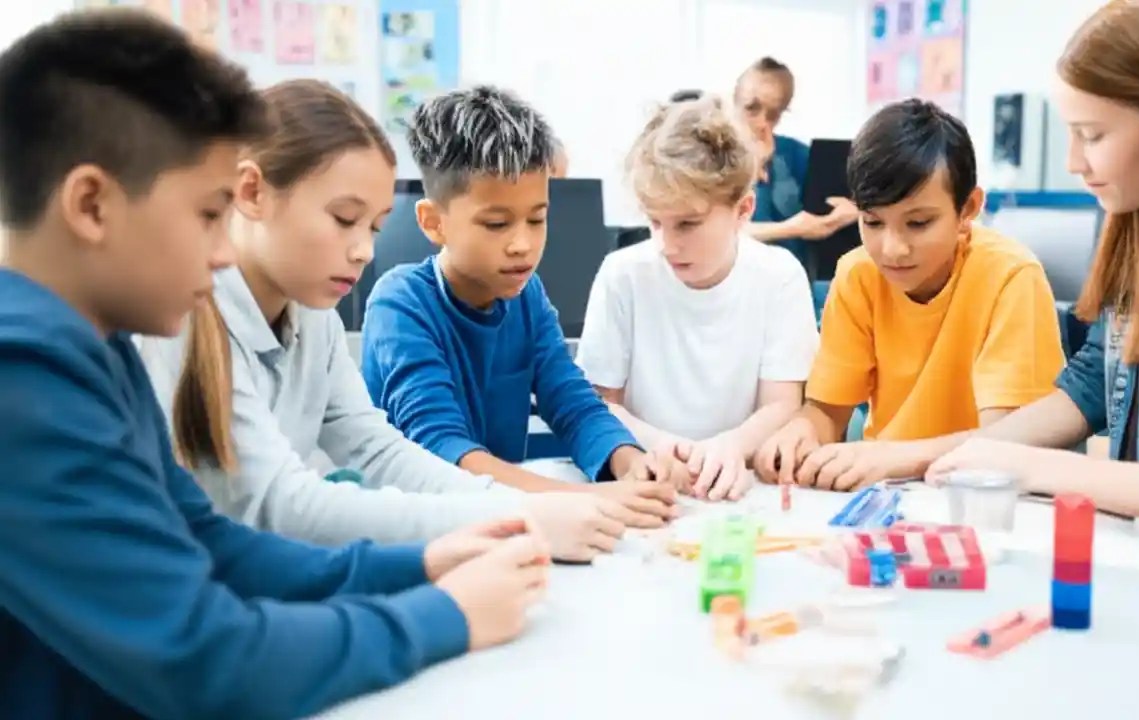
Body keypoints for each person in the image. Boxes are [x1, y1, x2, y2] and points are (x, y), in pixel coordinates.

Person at [0, 10, 548, 719]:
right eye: (207, 214)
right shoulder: (24, 377)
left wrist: (420, 563)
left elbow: (214, 544)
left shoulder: (93, 346)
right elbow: (203, 656)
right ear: (92, 204)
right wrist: (445, 615)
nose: (224, 250)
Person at [137, 79, 635, 561]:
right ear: (251, 192)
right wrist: (522, 515)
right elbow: (282, 504)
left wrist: (520, 508)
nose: (364, 251)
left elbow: (375, 451)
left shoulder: (315, 317)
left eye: (374, 226)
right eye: (344, 219)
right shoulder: (183, 318)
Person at [927, 0, 1139, 573]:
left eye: (1091, 135)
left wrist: (1035, 469)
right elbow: (1098, 380)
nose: (1072, 161)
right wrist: (962, 454)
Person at [361, 85, 677, 526]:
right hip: (425, 531)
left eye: (538, 218)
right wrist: (579, 501)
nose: (523, 245)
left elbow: (572, 401)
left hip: (504, 523)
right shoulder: (400, 305)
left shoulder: (526, 296)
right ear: (434, 223)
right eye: (496, 223)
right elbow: (444, 454)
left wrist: (627, 462)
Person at [756, 98, 1065, 491]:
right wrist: (802, 429)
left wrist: (893, 458)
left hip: (978, 496)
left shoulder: (1010, 276)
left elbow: (1004, 442)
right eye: (872, 222)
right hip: (886, 492)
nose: (892, 249)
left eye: (918, 223)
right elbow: (828, 412)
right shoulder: (857, 274)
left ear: (967, 208)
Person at [576, 95, 818, 502]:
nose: (667, 244)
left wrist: (728, 447)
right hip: (647, 481)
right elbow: (598, 404)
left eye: (687, 224)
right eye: (655, 221)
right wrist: (670, 448)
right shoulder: (622, 275)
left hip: (742, 488)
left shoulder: (779, 277)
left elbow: (782, 405)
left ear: (743, 210)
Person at [736, 57, 858, 265]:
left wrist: (855, 211)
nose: (762, 123)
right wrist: (794, 228)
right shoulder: (712, 156)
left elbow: (845, 195)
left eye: (773, 114)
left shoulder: (793, 153)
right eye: (751, 108)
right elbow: (721, 234)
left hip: (795, 277)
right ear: (735, 100)